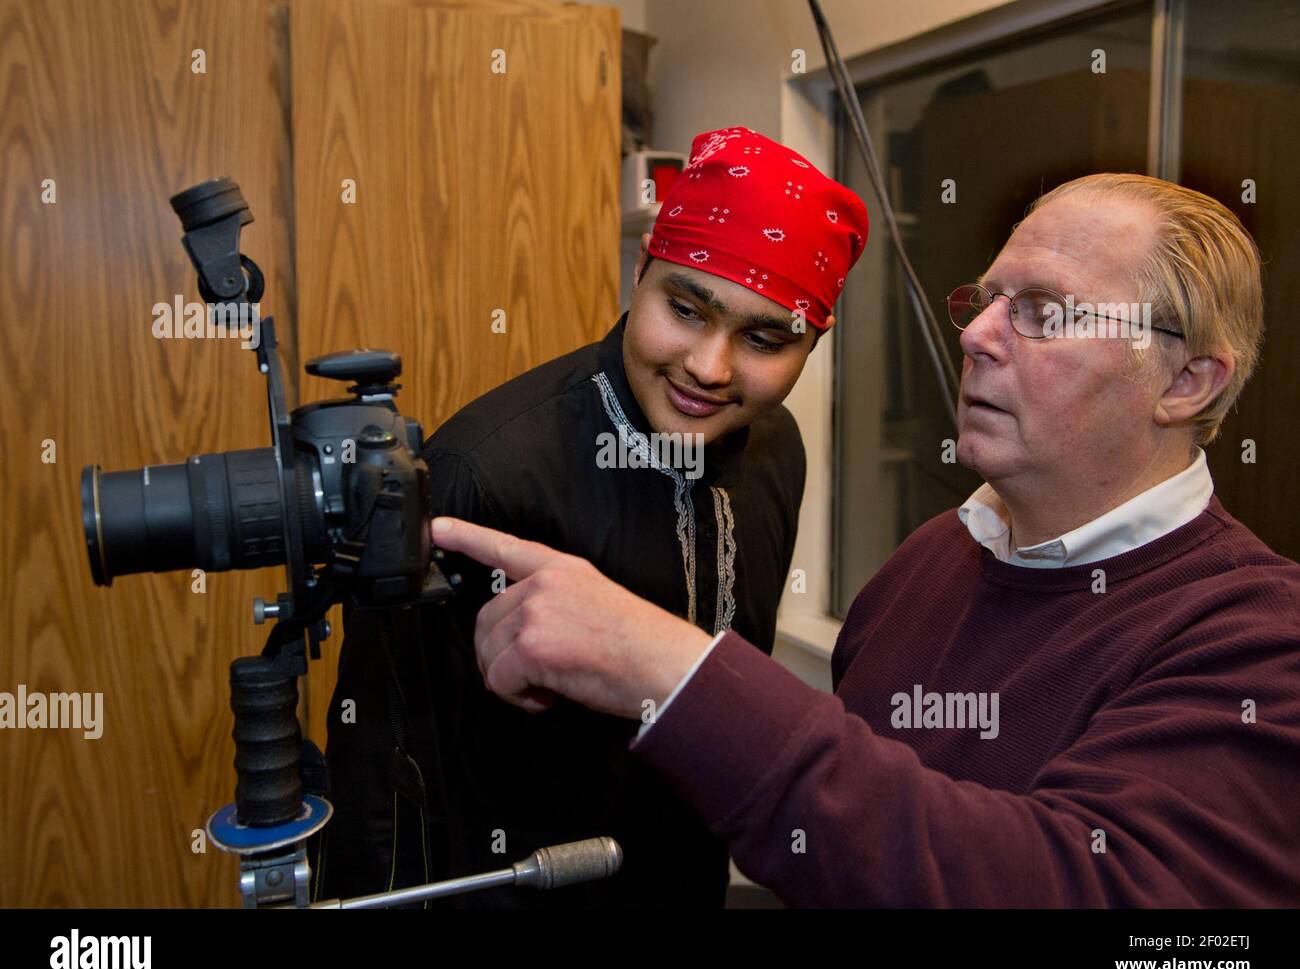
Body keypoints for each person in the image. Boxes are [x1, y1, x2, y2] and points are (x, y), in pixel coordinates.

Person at [432, 173, 1300, 906]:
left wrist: (674, 673)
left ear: (1186, 380)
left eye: (1043, 312)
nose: (975, 335)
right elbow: (845, 838)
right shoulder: (930, 560)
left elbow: (1087, 893)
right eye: (987, 300)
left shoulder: (1260, 645)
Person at [311, 125, 870, 907]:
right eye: (685, 308)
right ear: (640, 271)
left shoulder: (777, 448)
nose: (709, 368)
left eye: (765, 338)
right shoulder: (484, 471)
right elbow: (381, 770)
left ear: (812, 342)